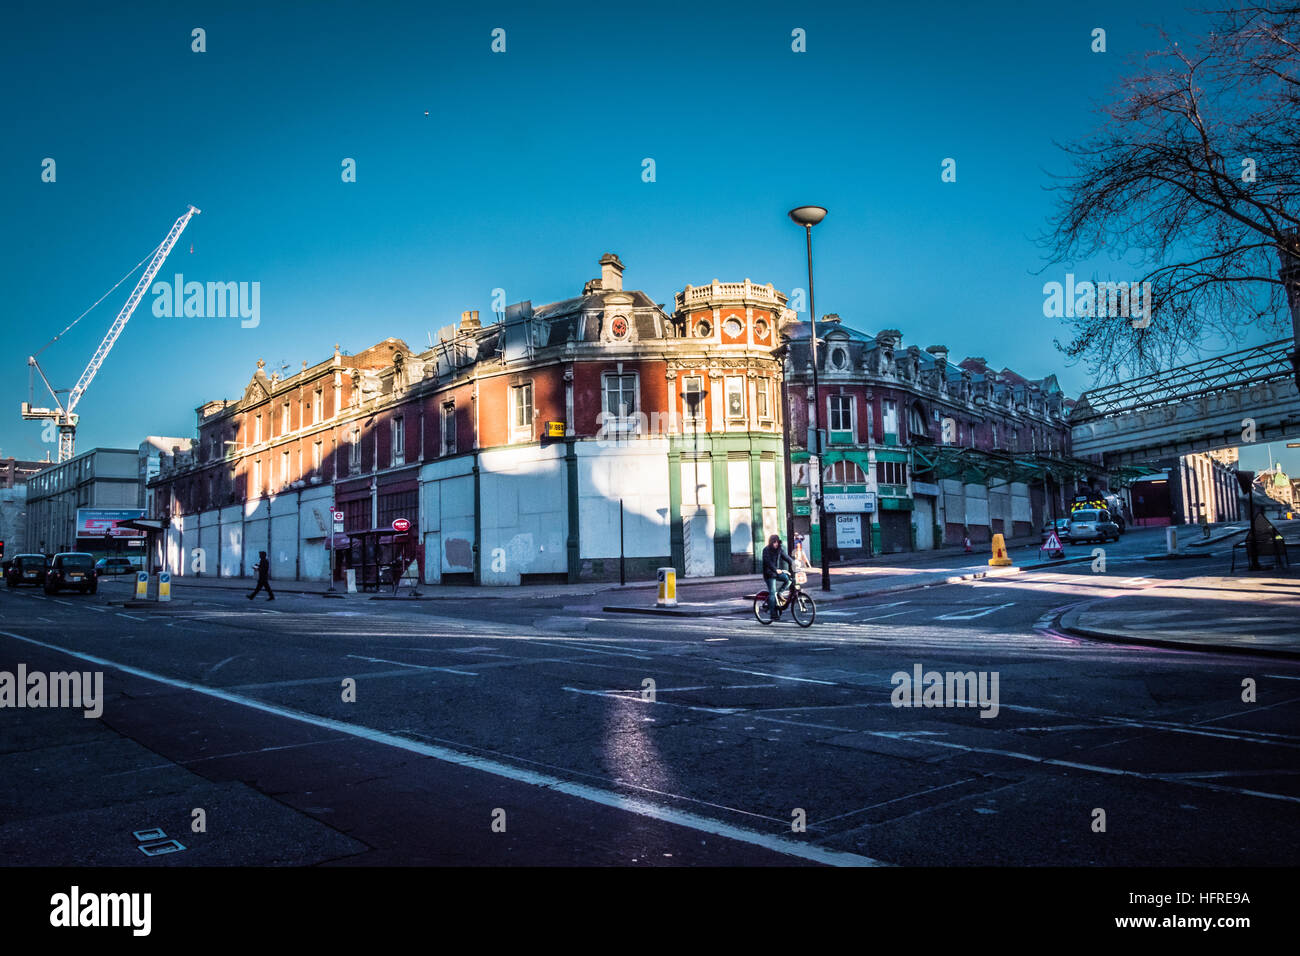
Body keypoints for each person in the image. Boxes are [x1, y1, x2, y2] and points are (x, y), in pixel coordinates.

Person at [761, 534, 794, 617]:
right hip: (769, 574)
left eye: (777, 542)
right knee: (772, 592)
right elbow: (768, 562)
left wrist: (794, 563)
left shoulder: (779, 550)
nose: (776, 544)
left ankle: (780, 593)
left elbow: (786, 557)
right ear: (771, 542)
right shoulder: (766, 550)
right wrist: (775, 569)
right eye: (774, 542)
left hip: (776, 573)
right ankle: (773, 613)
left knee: (788, 580)